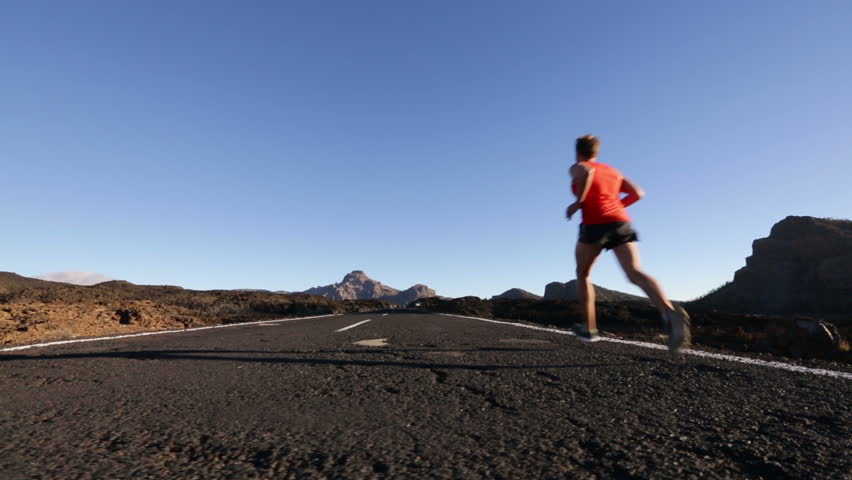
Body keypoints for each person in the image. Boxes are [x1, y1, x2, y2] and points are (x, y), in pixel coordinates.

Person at [566, 134, 691, 351]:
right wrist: (617, 206)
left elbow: (587, 172)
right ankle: (669, 312)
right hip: (621, 222)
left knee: (583, 274)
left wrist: (579, 202)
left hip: (595, 224)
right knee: (634, 272)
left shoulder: (579, 166)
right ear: (597, 152)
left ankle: (590, 329)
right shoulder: (613, 171)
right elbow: (638, 193)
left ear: (578, 152)